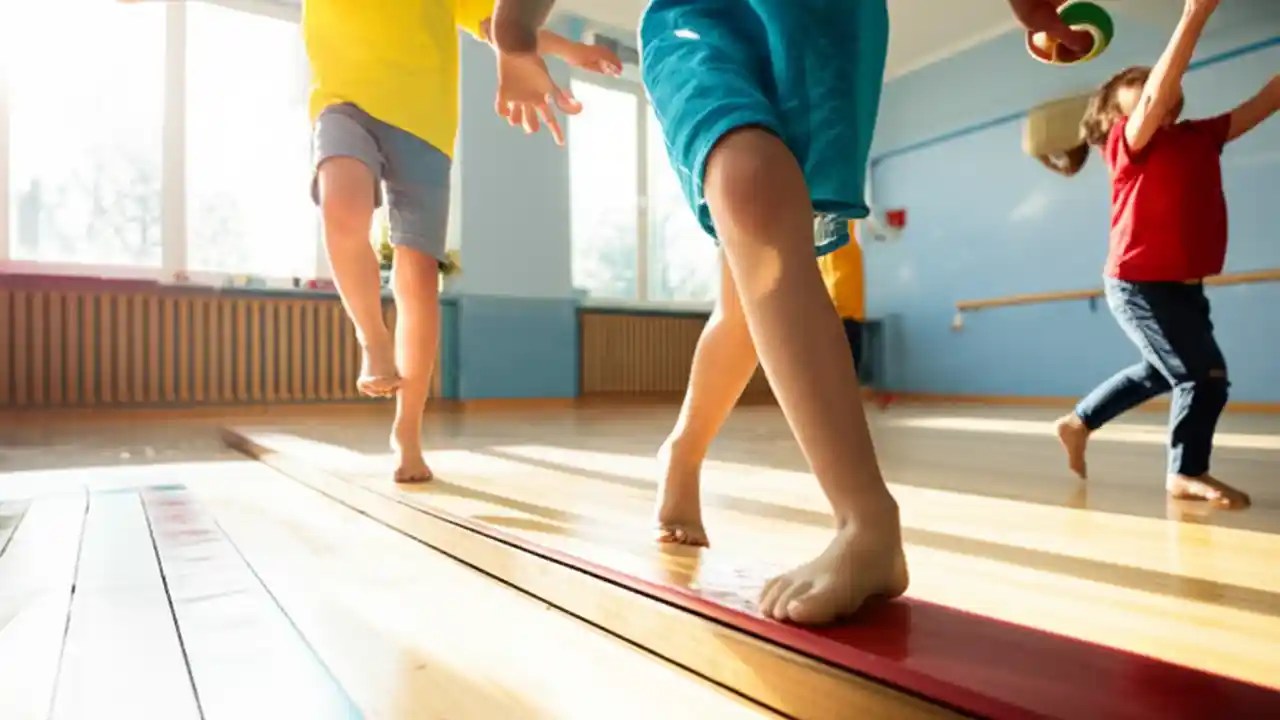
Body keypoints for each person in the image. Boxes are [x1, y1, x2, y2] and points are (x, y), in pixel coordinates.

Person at [488, 0, 1090, 625]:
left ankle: (682, 452)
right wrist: (514, 34)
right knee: (750, 184)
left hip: (826, 32)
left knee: (749, 300)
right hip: (702, 18)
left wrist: (1036, 10)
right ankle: (866, 518)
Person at [306, 0, 619, 483]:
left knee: (418, 279)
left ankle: (407, 430)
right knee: (342, 207)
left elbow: (498, 23)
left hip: (426, 126)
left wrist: (571, 50)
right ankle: (373, 338)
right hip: (343, 102)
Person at [1055, 0, 1277, 509]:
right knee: (1203, 376)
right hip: (1137, 283)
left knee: (1163, 370)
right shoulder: (1128, 145)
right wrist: (1193, 15)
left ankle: (1077, 422)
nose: (1153, 80)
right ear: (1114, 115)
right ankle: (1185, 472)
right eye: (1138, 79)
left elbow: (1268, 100)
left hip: (1183, 285)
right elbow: (1154, 97)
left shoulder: (1202, 135)